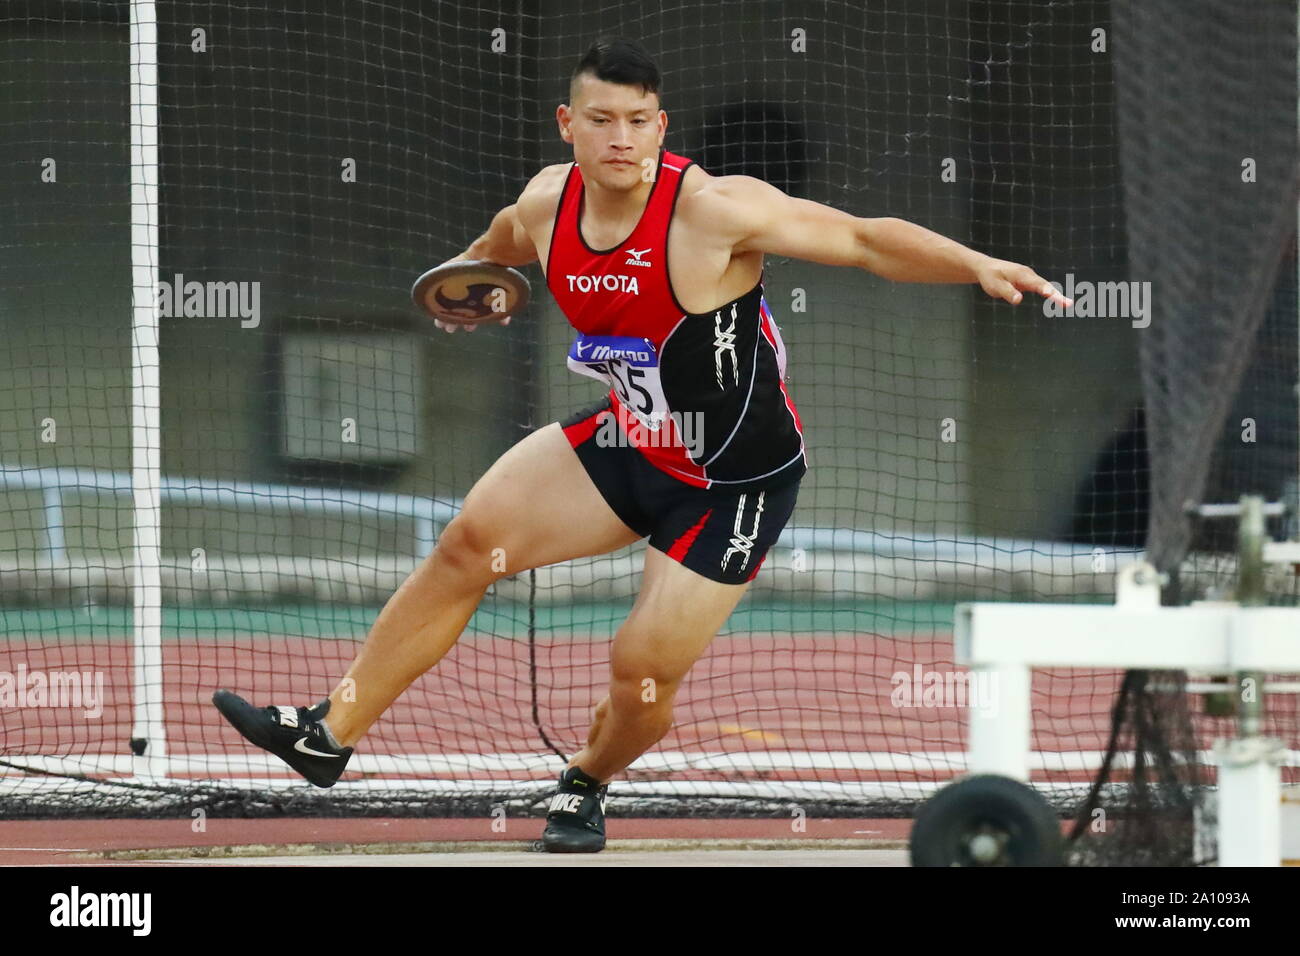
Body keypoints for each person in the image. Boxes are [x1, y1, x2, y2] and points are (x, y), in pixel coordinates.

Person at [213, 36, 1070, 853]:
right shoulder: (548, 204)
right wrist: (469, 286)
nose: (619, 137)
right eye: (601, 119)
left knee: (640, 672)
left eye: (637, 120)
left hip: (732, 482)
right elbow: (497, 248)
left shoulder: (711, 211)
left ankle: (585, 780)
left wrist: (975, 263)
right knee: (469, 543)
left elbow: (863, 238)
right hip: (631, 440)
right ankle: (329, 734)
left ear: (660, 127)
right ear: (567, 124)